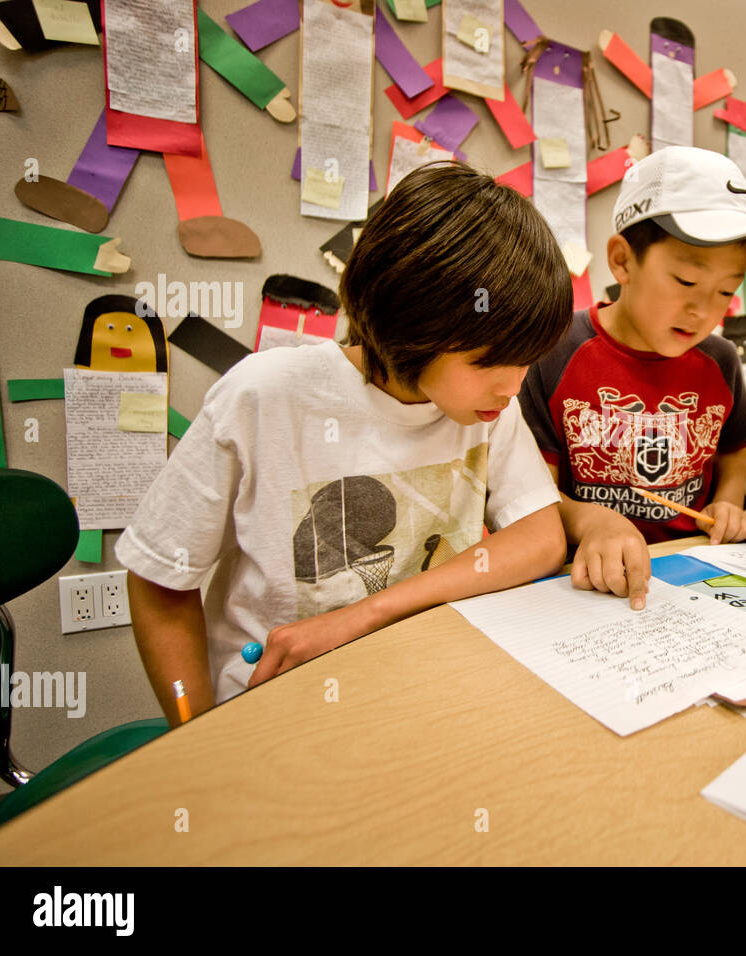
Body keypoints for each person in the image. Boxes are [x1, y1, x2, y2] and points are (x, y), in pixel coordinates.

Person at [117, 162, 574, 724]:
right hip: (277, 708)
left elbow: (540, 538)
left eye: (527, 361)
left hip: (421, 692)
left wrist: (366, 614)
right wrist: (192, 731)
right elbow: (160, 580)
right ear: (412, 322)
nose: (513, 386)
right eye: (489, 362)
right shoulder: (264, 396)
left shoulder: (485, 406)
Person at [521, 146, 746, 609]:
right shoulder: (554, 351)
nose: (703, 310)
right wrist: (592, 522)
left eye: (726, 291)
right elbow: (533, 494)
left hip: (693, 574)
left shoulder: (721, 360)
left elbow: (735, 450)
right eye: (686, 281)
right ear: (622, 260)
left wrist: (728, 503)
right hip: (583, 581)